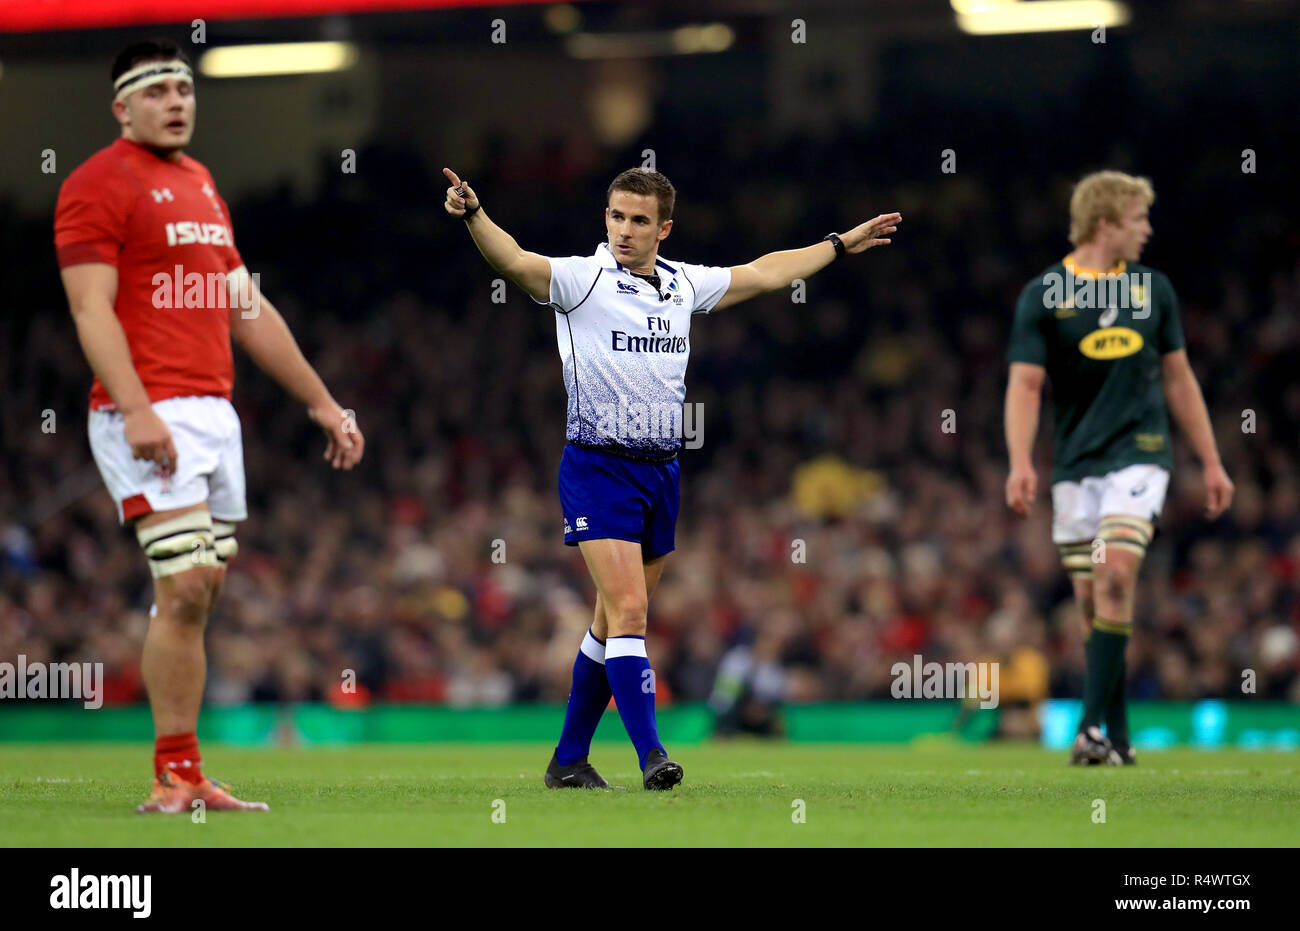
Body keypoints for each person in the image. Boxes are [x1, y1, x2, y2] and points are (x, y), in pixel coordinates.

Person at [444, 164, 899, 788]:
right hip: (599, 467)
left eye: (639, 220)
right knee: (630, 610)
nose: (624, 230)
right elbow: (516, 262)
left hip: (660, 473)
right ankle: (652, 756)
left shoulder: (683, 284)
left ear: (664, 229)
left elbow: (766, 272)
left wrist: (839, 245)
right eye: (616, 216)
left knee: (610, 622)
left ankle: (568, 761)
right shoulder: (582, 280)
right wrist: (475, 215)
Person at [54, 38, 365, 812]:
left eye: (184, 89)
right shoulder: (96, 183)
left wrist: (321, 401)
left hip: (213, 414)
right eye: (157, 91)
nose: (176, 102)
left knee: (198, 590)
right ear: (122, 107)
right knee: (187, 582)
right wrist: (135, 407)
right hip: (146, 410)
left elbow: (245, 306)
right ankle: (173, 774)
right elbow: (90, 308)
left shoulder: (199, 184)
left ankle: (186, 773)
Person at [1004, 171, 1233, 766]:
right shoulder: (1045, 295)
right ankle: (1120, 740)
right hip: (1076, 466)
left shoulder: (1153, 291)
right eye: (1138, 219)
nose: (1148, 230)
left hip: (1140, 454)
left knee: (1113, 574)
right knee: (1092, 605)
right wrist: (1020, 460)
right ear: (1105, 224)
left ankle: (1087, 730)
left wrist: (1211, 460)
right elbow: (1025, 386)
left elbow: (1179, 378)